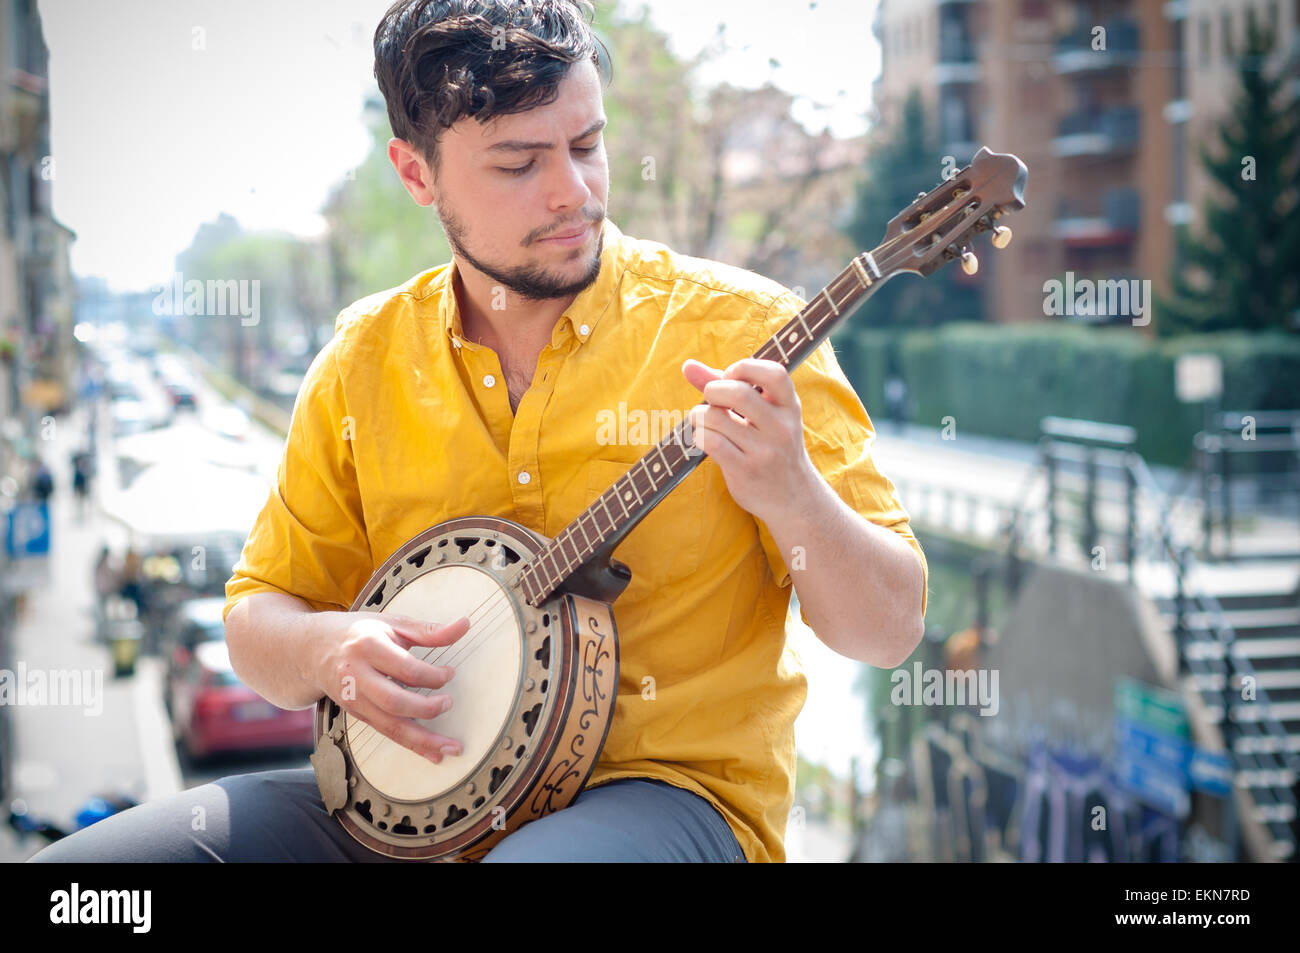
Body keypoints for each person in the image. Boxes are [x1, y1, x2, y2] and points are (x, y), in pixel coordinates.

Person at [31, 0, 927, 864]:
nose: (573, 191)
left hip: (667, 797)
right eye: (517, 163)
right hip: (404, 810)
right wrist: (330, 650)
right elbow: (258, 618)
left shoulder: (745, 331)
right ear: (416, 174)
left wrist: (794, 494)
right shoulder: (361, 362)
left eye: (588, 144)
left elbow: (889, 629)